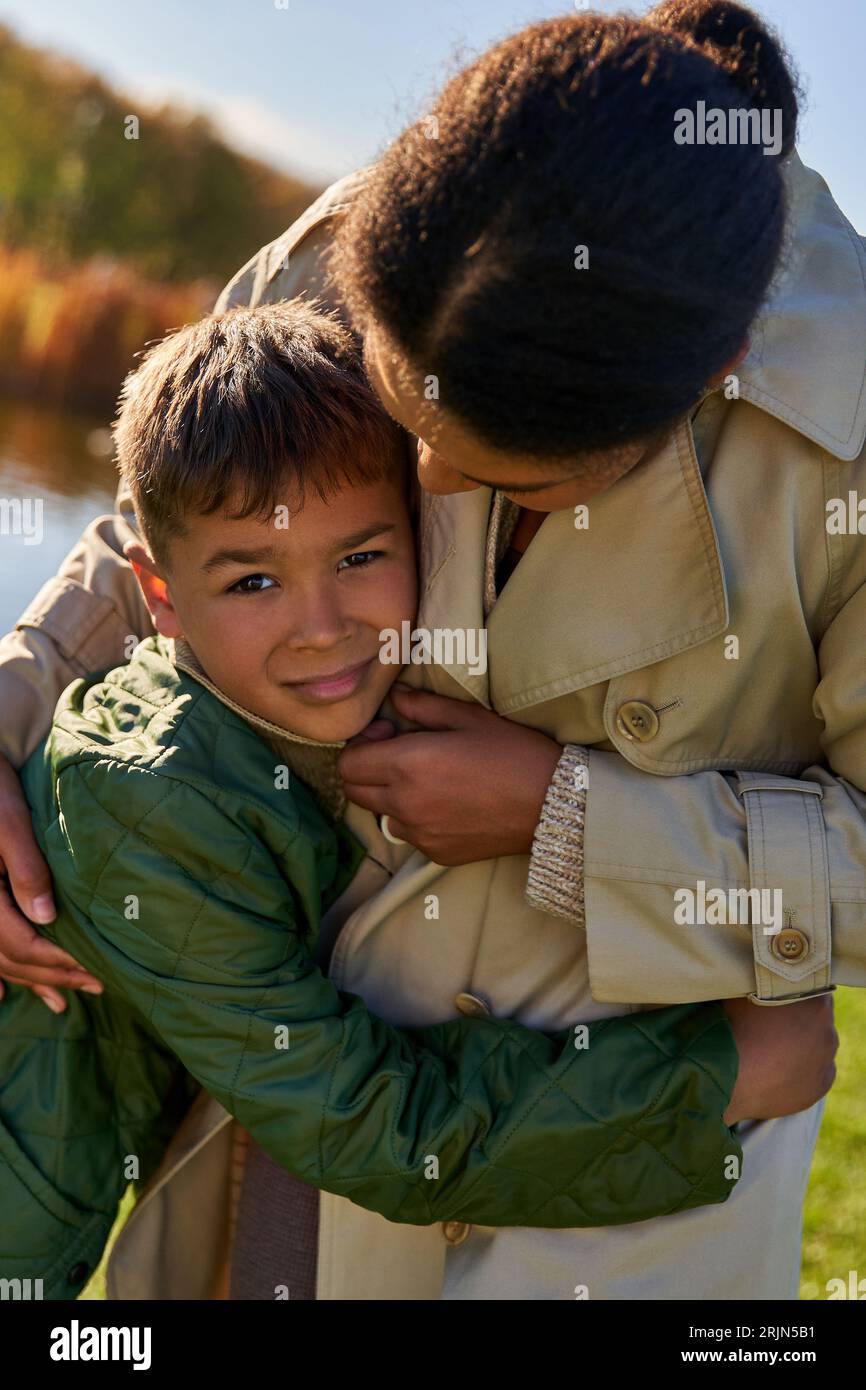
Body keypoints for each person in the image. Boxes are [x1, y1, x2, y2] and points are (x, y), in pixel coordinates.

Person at [0, 1, 851, 1299]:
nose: (423, 483)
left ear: (708, 375)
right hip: (288, 1082)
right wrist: (8, 719)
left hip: (603, 1137)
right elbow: (163, 526)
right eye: (405, 420)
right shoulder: (360, 239)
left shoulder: (836, 437)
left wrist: (566, 817)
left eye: (503, 474)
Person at [0, 298, 746, 1300]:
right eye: (253, 582)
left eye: (358, 558)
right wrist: (712, 1081)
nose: (323, 627)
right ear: (160, 599)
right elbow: (373, 1126)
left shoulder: (258, 736)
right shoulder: (149, 803)